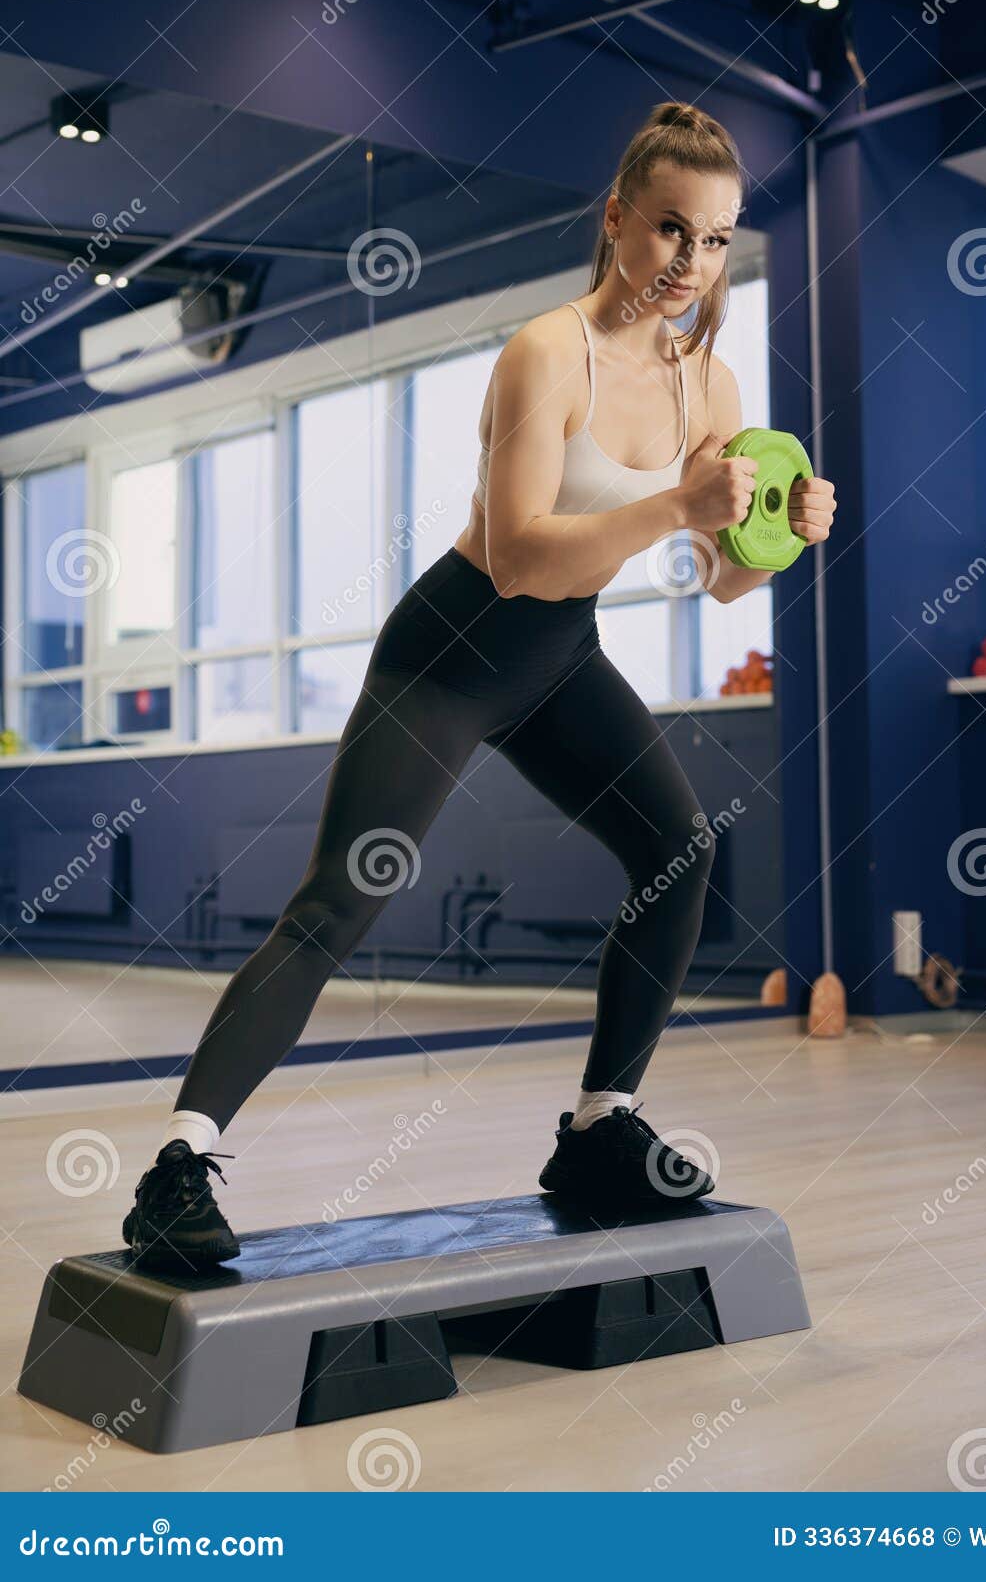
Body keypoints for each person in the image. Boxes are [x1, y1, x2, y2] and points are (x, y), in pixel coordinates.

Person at [122, 100, 838, 1270]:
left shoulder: (710, 385)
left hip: (560, 659)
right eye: (668, 230)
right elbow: (515, 556)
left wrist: (782, 532)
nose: (689, 263)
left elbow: (718, 581)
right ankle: (177, 1166)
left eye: (713, 240)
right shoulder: (544, 352)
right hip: (450, 652)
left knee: (678, 849)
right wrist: (674, 508)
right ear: (617, 221)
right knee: (338, 905)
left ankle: (599, 1128)